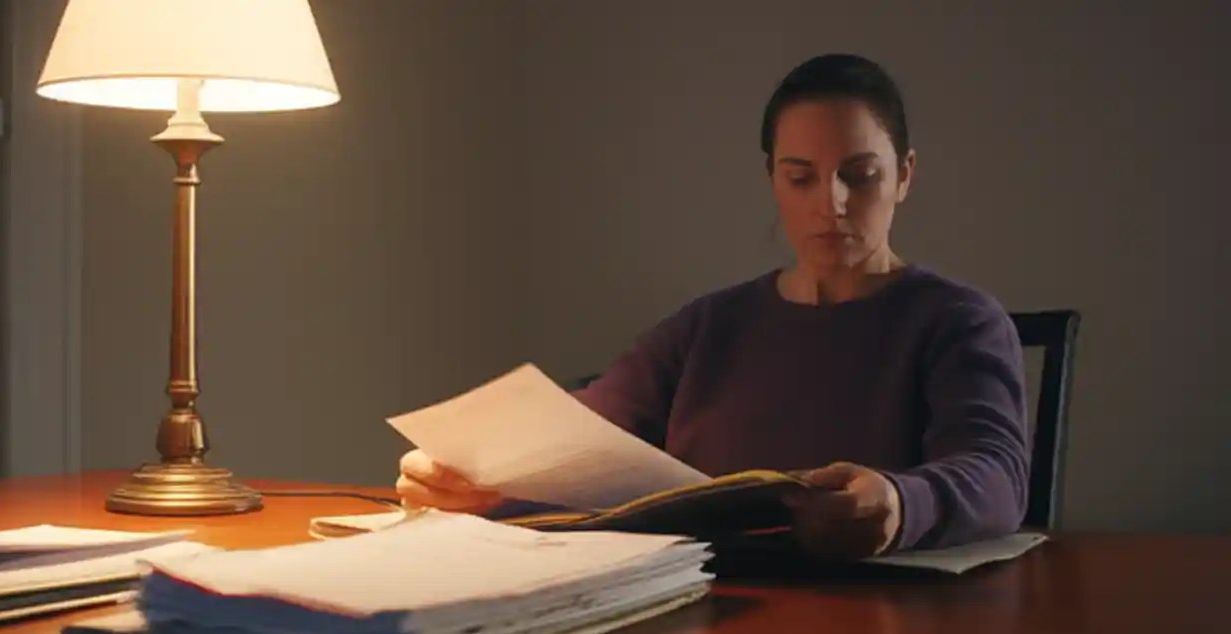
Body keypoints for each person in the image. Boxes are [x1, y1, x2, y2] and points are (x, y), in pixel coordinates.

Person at [397, 53, 1029, 559]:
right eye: (801, 177)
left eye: (859, 175)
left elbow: (996, 474)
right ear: (772, 179)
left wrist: (898, 504)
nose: (830, 203)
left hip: (882, 626)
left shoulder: (957, 320)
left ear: (905, 175)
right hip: (698, 617)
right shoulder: (708, 327)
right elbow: (576, 444)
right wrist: (470, 477)